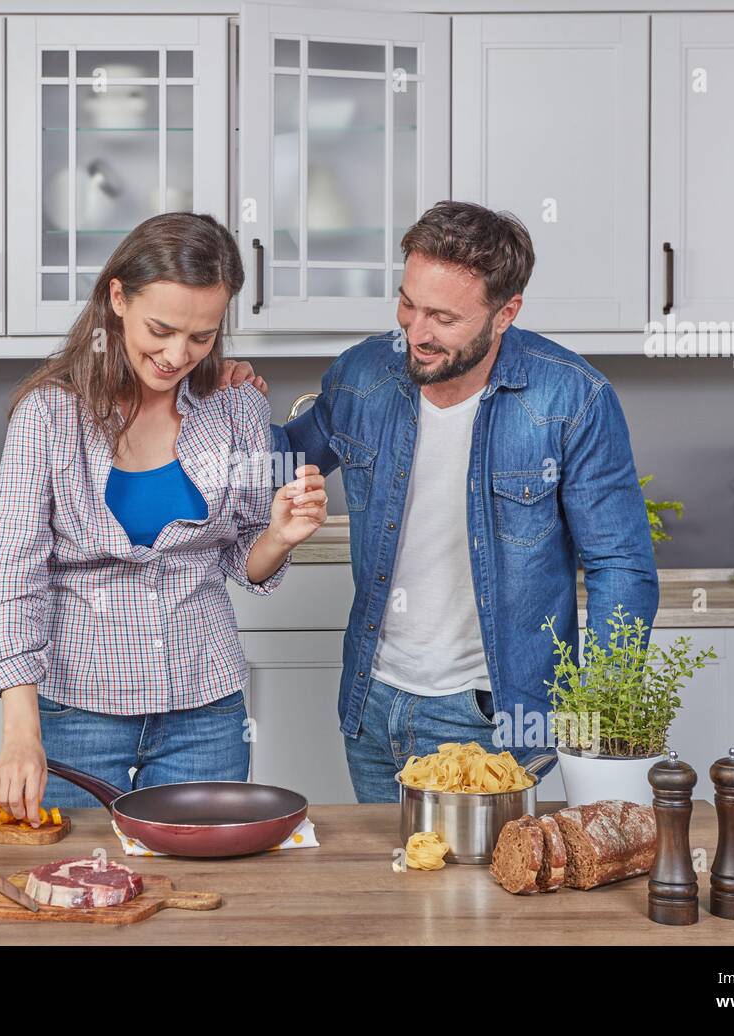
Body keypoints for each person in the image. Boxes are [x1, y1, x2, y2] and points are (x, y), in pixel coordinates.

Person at [265, 201, 660, 802]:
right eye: (408, 303)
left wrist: (597, 713)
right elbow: (276, 465)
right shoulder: (362, 376)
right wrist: (220, 395)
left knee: (485, 894)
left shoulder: (571, 399)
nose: (416, 334)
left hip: (492, 716)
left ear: (505, 314)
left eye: (444, 318)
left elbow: (621, 568)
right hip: (373, 705)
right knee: (395, 885)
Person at [0, 212, 328, 819]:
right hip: (77, 711)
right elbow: (14, 579)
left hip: (206, 711)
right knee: (72, 890)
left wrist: (278, 534)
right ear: (117, 296)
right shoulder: (47, 417)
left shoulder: (236, 405)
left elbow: (245, 558)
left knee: (201, 901)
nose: (177, 355)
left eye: (201, 338)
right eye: (161, 329)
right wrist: (19, 730)